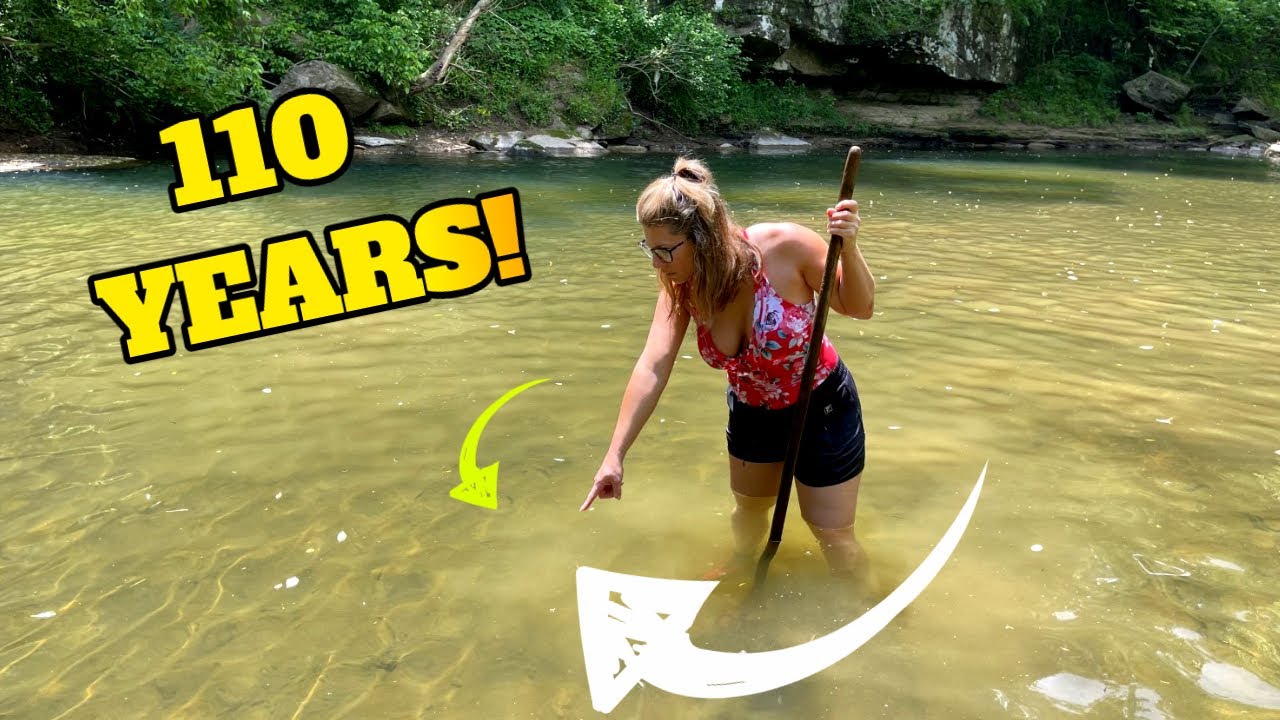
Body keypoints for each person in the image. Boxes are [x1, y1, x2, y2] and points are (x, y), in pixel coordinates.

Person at [579, 156, 875, 581]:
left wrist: (849, 245)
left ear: (704, 237)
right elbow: (653, 364)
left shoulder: (784, 247)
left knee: (833, 535)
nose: (656, 264)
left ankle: (865, 610)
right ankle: (741, 567)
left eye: (665, 250)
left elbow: (860, 307)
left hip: (823, 408)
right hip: (753, 412)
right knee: (750, 513)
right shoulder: (681, 285)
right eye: (650, 249)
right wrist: (615, 455)